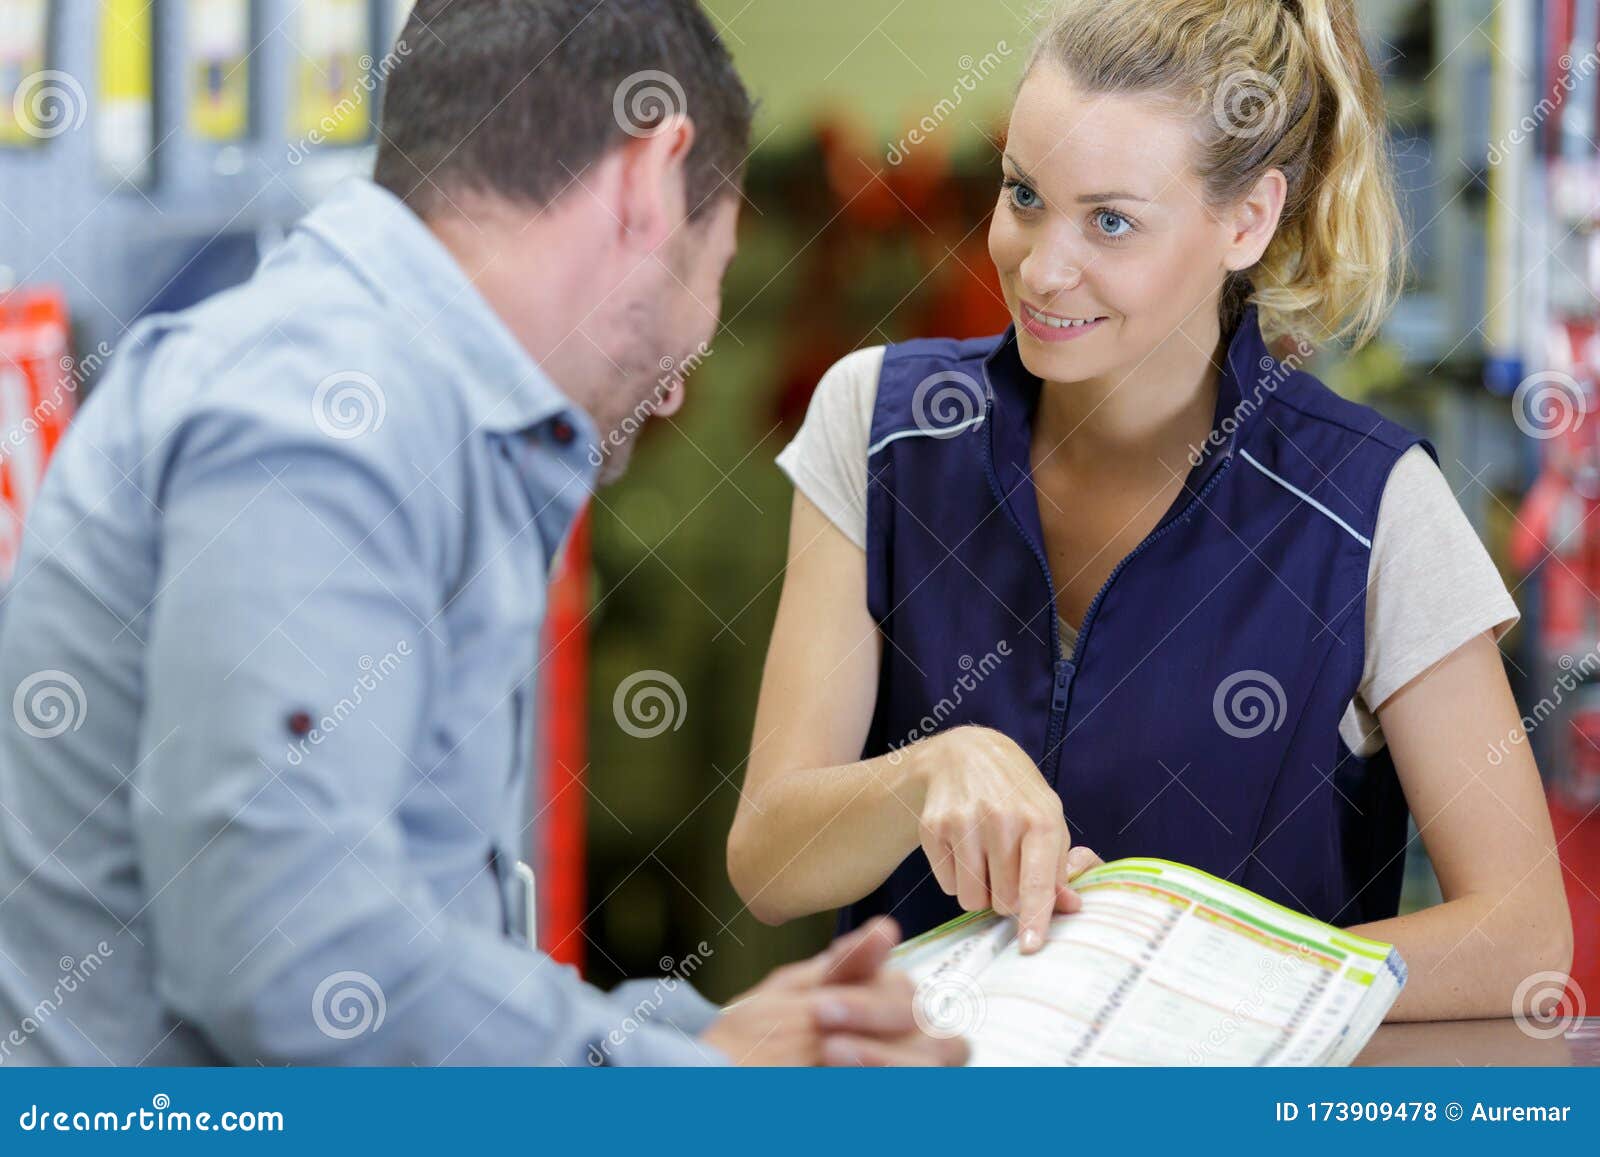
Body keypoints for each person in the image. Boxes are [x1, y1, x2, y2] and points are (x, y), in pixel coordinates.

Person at [0, 0, 966, 1068]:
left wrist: (706, 1034)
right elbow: (297, 961)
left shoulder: (399, 401)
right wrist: (704, 1082)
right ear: (652, 177)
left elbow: (419, 934)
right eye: (718, 262)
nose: (696, 348)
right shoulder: (325, 409)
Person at [729, 0, 1574, 1021]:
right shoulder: (880, 425)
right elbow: (770, 859)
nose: (1041, 267)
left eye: (1111, 220)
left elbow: (1519, 935)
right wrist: (925, 774)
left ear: (1247, 219)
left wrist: (1170, 973)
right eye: (1024, 195)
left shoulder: (1372, 505)